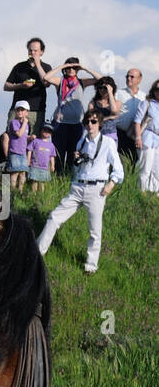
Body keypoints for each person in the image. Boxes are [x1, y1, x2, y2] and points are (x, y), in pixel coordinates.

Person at [37, 108, 123, 274]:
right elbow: (78, 166)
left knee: (94, 230)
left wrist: (110, 185)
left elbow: (119, 169)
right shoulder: (81, 142)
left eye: (93, 122)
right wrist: (77, 160)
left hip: (97, 189)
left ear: (100, 124)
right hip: (78, 187)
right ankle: (38, 252)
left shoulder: (107, 143)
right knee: (54, 217)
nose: (90, 125)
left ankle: (91, 266)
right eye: (87, 122)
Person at [45, 56, 101, 174]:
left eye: (74, 67)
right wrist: (62, 66)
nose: (71, 69)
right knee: (59, 154)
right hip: (60, 124)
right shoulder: (60, 81)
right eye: (69, 67)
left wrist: (85, 68)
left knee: (73, 153)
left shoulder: (81, 82)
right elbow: (46, 77)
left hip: (76, 124)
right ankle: (58, 179)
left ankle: (69, 179)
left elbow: (101, 79)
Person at [3, 38, 53, 138]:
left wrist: (37, 64)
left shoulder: (46, 67)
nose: (32, 53)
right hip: (17, 109)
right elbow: (6, 86)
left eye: (35, 51)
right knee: (11, 137)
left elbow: (47, 83)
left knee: (34, 139)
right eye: (30, 50)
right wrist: (21, 85)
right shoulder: (19, 66)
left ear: (41, 52)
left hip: (36, 110)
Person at [116, 68, 144, 163]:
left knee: (134, 162)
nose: (129, 78)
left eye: (132, 76)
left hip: (136, 135)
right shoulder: (119, 93)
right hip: (121, 133)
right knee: (120, 162)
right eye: (127, 76)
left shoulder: (143, 96)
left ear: (139, 79)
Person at [136, 80, 159, 194]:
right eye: (157, 89)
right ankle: (141, 193)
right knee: (145, 168)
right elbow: (137, 121)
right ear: (154, 91)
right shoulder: (147, 103)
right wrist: (138, 138)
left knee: (157, 169)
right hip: (147, 137)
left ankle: (155, 194)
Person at [3, 101, 31, 190]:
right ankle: (12, 190)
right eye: (18, 110)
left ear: (27, 112)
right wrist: (25, 123)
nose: (20, 112)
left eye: (22, 110)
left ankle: (20, 191)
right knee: (14, 172)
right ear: (15, 112)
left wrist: (30, 137)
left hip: (23, 152)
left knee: (23, 173)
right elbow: (19, 134)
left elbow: (24, 136)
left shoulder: (26, 125)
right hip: (14, 151)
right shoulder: (14, 122)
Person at [90, 77, 121, 142]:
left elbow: (114, 111)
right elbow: (91, 119)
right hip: (96, 134)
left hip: (110, 135)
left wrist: (110, 92)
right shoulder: (93, 103)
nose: (102, 90)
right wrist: (109, 117)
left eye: (105, 88)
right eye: (100, 88)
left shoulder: (117, 102)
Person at [27, 124, 56, 193]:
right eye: (44, 130)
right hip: (35, 166)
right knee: (35, 181)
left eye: (49, 131)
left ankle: (41, 196)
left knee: (42, 183)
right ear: (41, 131)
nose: (46, 132)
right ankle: (33, 195)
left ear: (51, 134)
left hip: (45, 167)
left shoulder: (51, 145)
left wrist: (52, 165)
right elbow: (29, 150)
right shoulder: (36, 141)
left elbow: (52, 156)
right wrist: (28, 160)